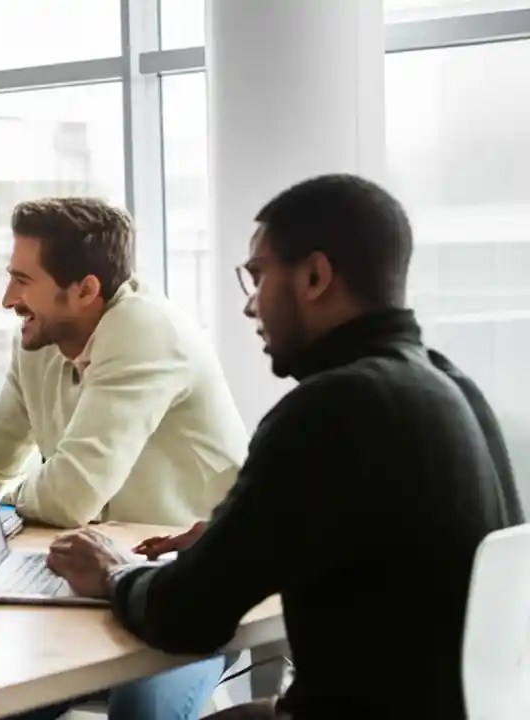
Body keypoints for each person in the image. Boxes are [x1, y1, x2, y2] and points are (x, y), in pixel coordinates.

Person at [47, 174, 526, 719]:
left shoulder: (331, 409)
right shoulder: (450, 384)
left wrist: (114, 573)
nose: (251, 306)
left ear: (315, 276)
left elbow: (188, 617)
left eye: (258, 276)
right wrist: (239, 538)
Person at [0, 197, 249, 719]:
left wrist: (2, 506)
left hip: (192, 585)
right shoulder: (37, 343)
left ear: (85, 290)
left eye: (22, 280)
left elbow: (68, 499)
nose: (6, 298)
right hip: (90, 580)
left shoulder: (145, 332)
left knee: (143, 708)